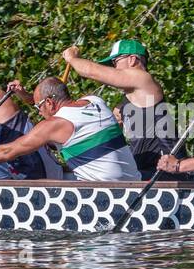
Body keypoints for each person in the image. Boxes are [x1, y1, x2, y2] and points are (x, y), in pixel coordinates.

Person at [0, 77, 141, 182]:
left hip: (103, 193)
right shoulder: (95, 101)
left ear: (50, 102)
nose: (39, 113)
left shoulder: (54, 125)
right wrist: (26, 96)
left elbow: (9, 151)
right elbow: (58, 109)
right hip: (134, 181)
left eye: (39, 107)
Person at [61, 39, 177, 173]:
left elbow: (91, 71)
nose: (113, 68)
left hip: (167, 172)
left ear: (132, 59)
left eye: (115, 62)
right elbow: (102, 133)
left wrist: (72, 58)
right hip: (144, 171)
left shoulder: (144, 79)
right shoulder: (124, 104)